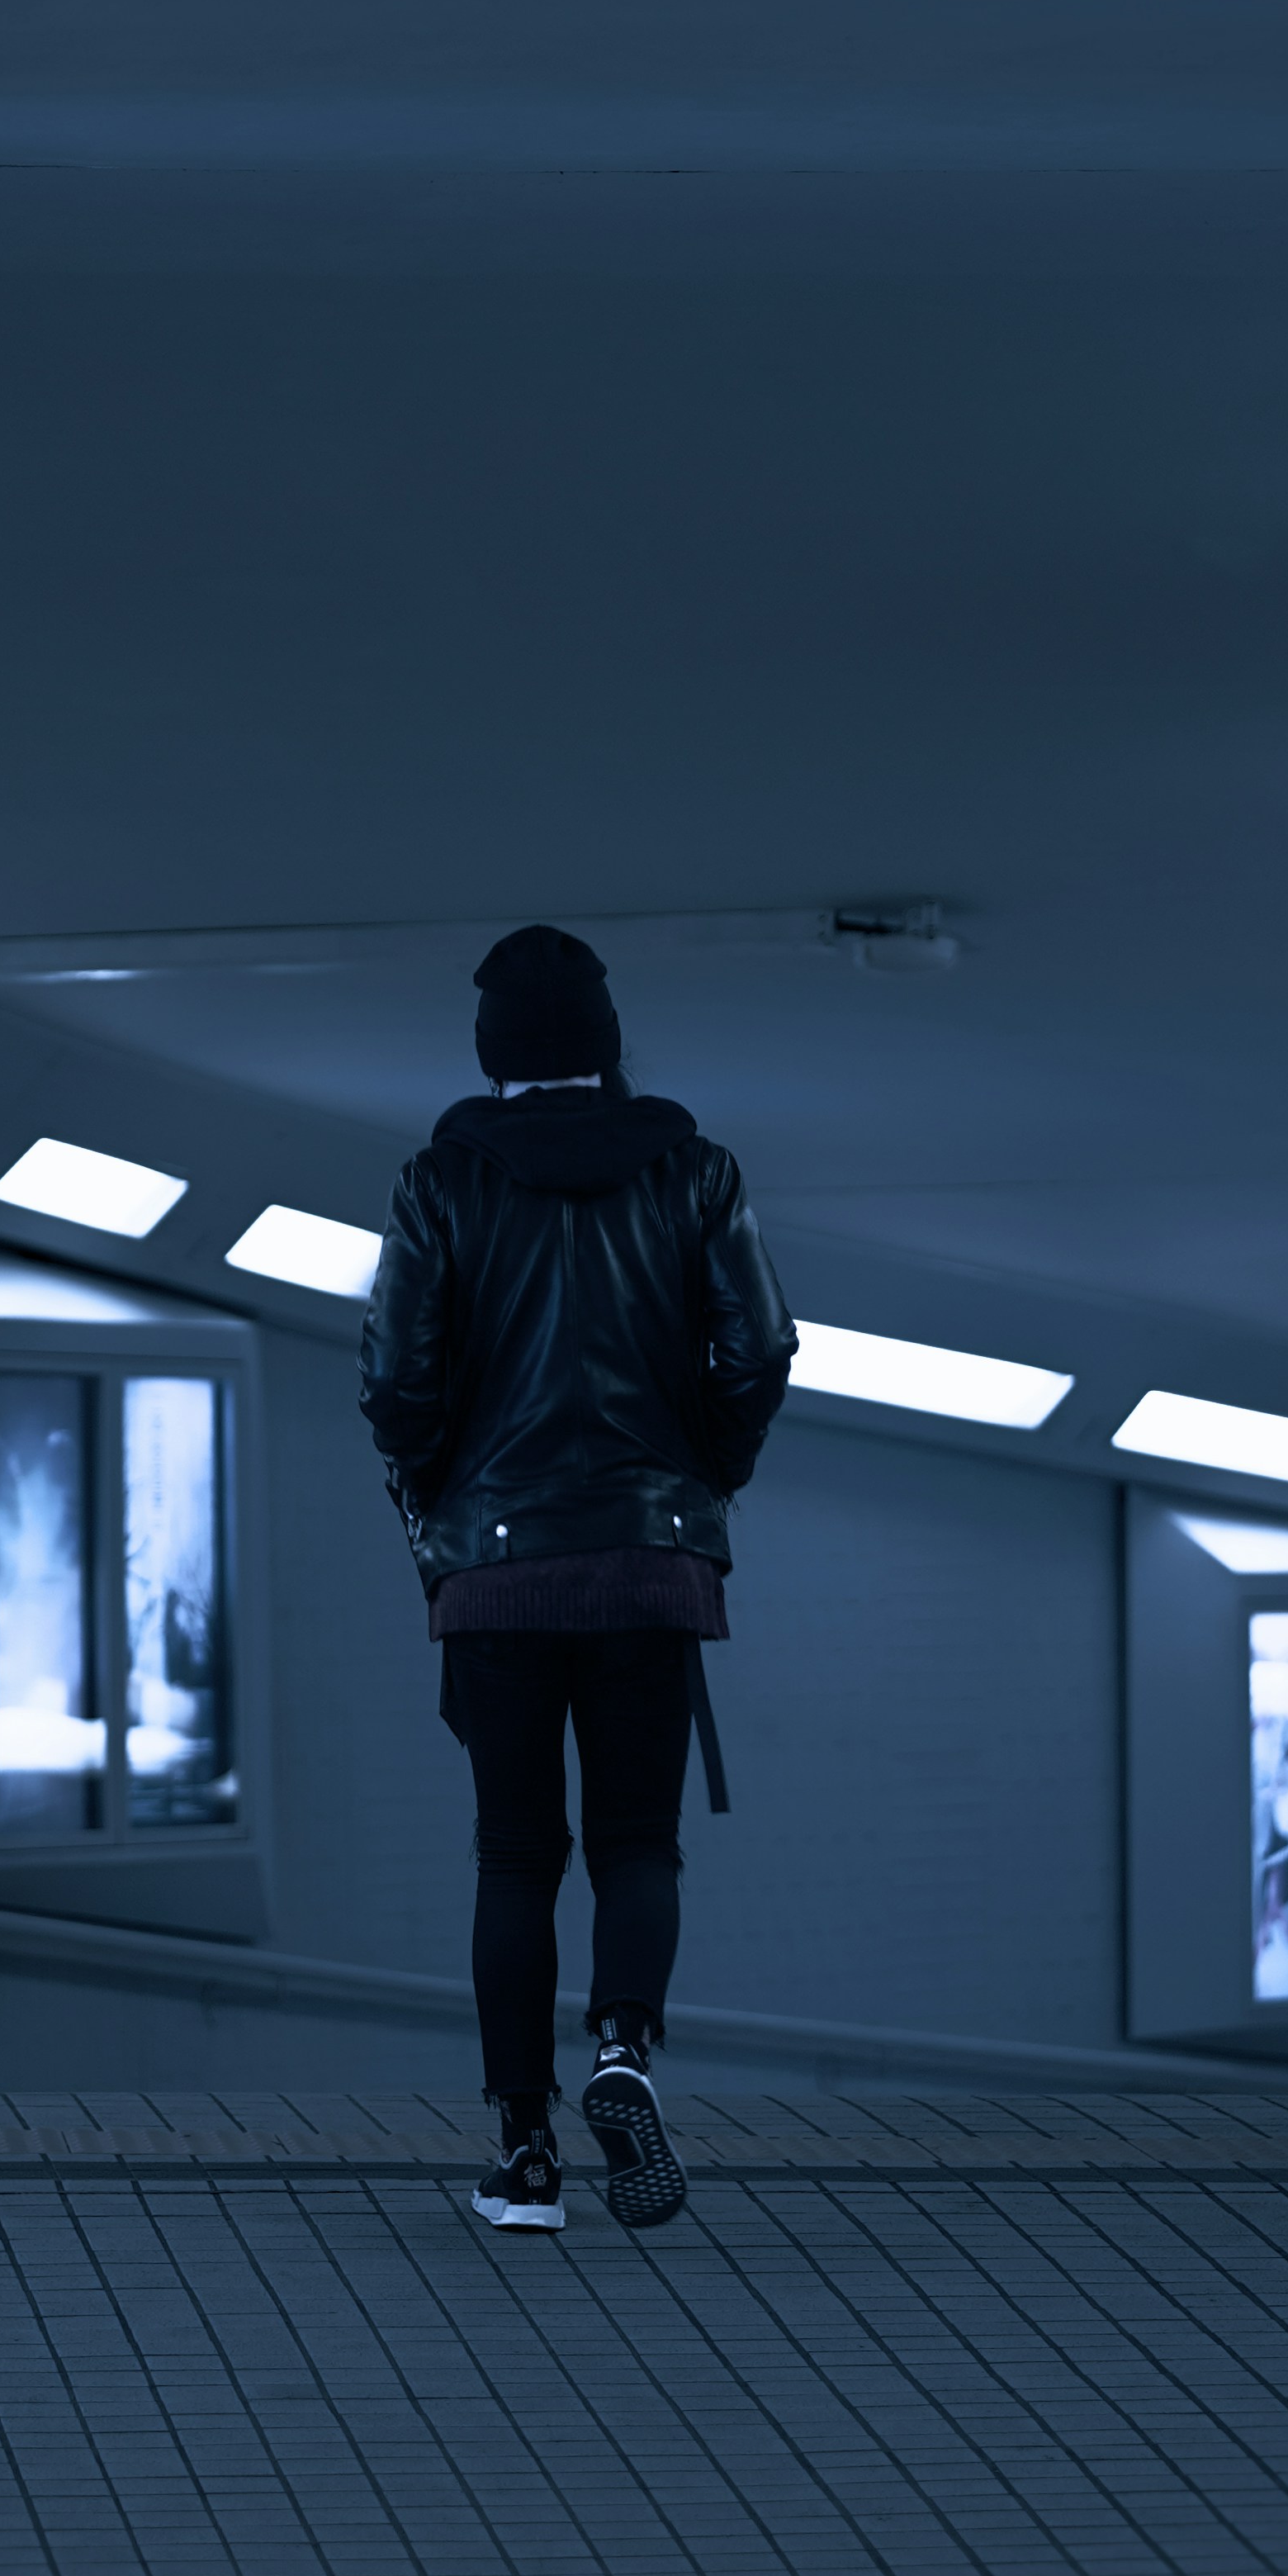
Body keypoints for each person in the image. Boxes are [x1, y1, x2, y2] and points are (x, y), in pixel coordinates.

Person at [361, 924, 793, 2232]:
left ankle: (526, 2160)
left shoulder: (440, 1183)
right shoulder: (695, 1173)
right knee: (635, 1841)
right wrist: (698, 1478)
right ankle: (622, 2051)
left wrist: (441, 1492)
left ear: (490, 1052)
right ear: (605, 1044)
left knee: (514, 1853)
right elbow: (757, 1349)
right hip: (648, 1563)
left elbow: (396, 1379)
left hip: (494, 1573)